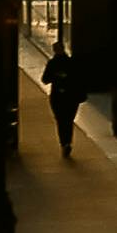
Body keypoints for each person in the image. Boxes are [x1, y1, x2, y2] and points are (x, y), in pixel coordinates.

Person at [44, 33, 90, 161]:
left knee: (60, 120)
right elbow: (80, 79)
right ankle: (68, 142)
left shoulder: (52, 63)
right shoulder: (72, 63)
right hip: (71, 97)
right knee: (69, 120)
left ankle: (64, 142)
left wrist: (56, 77)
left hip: (57, 97)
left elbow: (45, 79)